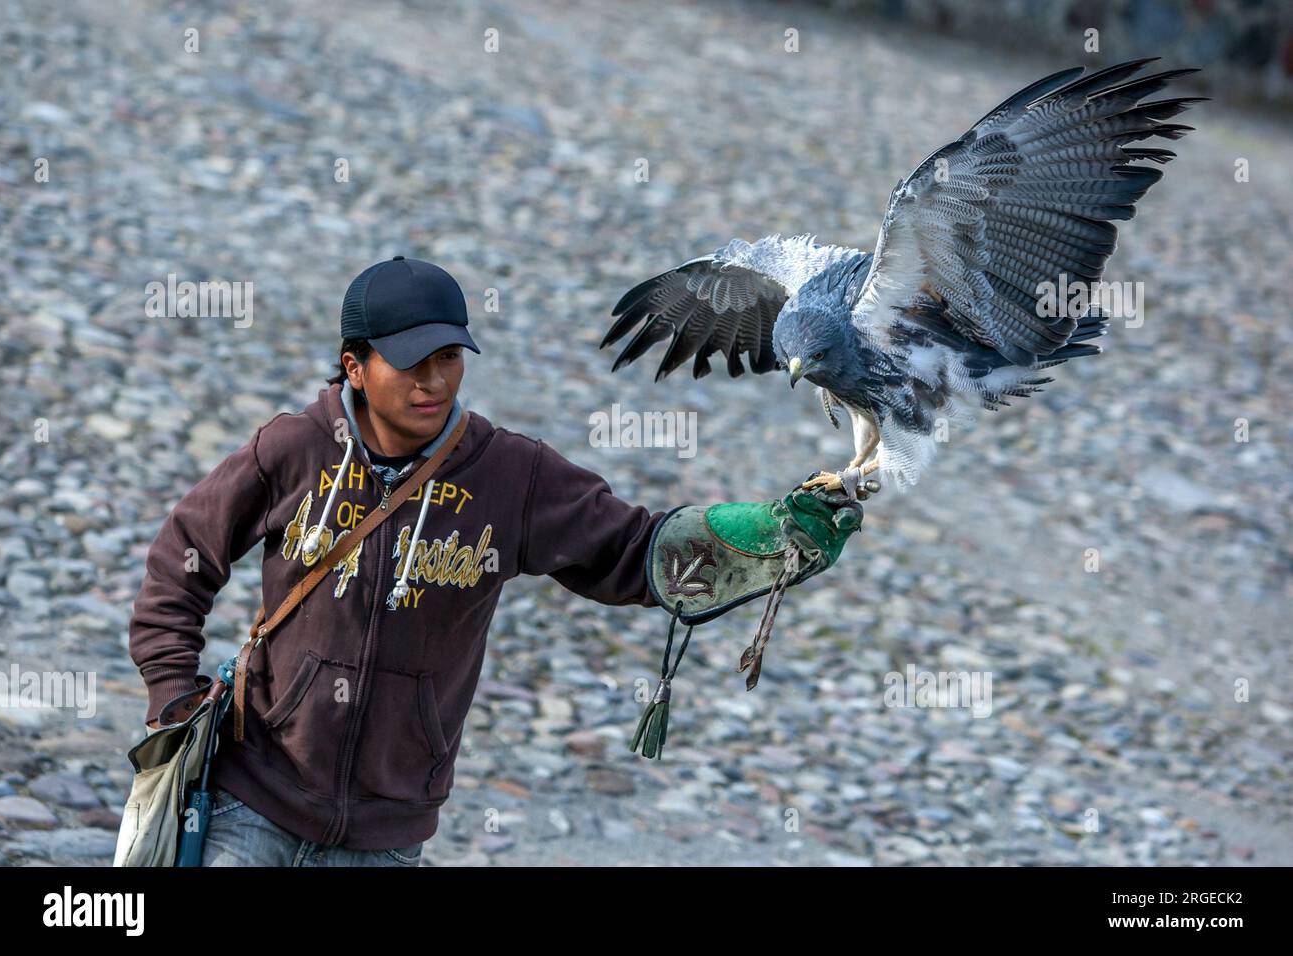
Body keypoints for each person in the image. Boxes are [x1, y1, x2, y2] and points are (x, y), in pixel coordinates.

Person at [126, 255, 867, 866]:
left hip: (386, 834)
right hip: (253, 799)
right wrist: (171, 692)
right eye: (412, 363)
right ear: (354, 366)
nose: (435, 381)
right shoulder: (292, 451)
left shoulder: (510, 475)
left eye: (450, 358)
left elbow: (631, 548)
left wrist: (763, 536)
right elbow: (181, 560)